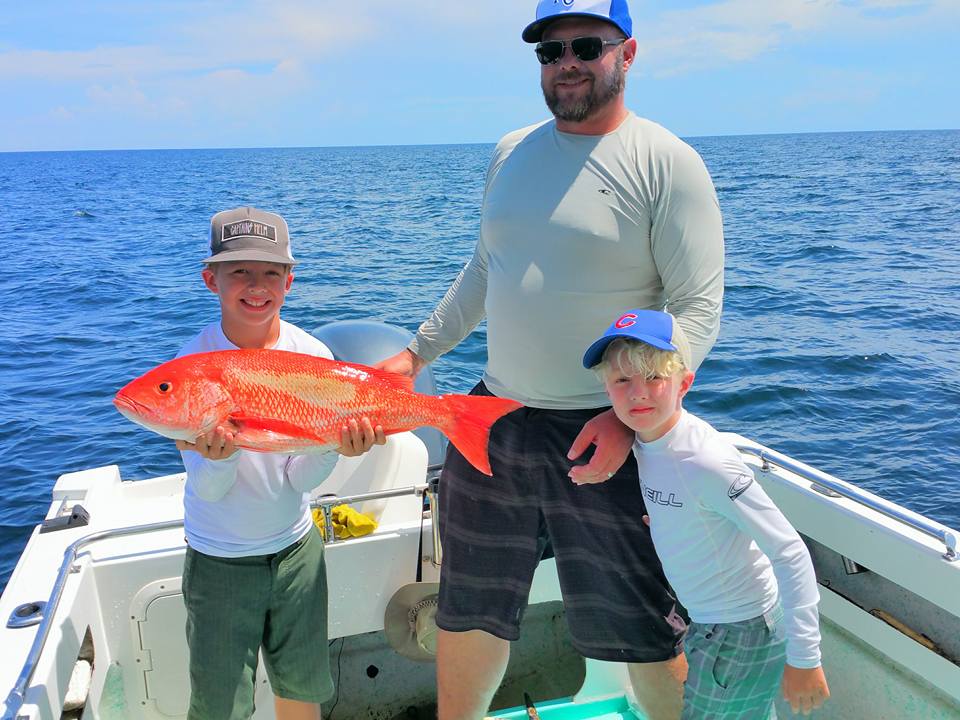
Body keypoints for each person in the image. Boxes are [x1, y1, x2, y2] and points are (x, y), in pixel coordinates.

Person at [376, 0, 724, 717]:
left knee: (644, 625)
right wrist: (413, 356)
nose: (566, 61)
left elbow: (696, 311)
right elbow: (484, 271)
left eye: (586, 45)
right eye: (549, 49)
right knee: (467, 610)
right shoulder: (510, 151)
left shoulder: (669, 163)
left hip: (608, 427)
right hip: (493, 420)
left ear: (627, 53)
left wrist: (632, 423)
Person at [174, 206, 386, 720]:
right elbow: (208, 490)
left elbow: (298, 479)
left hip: (295, 552)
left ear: (289, 282)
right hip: (219, 559)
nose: (256, 285)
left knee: (301, 688)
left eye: (271, 272)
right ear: (211, 279)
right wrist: (220, 460)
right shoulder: (191, 368)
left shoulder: (311, 354)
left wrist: (333, 444)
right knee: (219, 705)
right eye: (239, 271)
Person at [583, 309, 831, 718]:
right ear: (607, 390)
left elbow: (789, 551)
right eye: (622, 380)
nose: (637, 394)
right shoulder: (647, 442)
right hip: (709, 623)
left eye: (654, 377)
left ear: (685, 383)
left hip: (742, 628)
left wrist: (805, 658)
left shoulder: (706, 460)